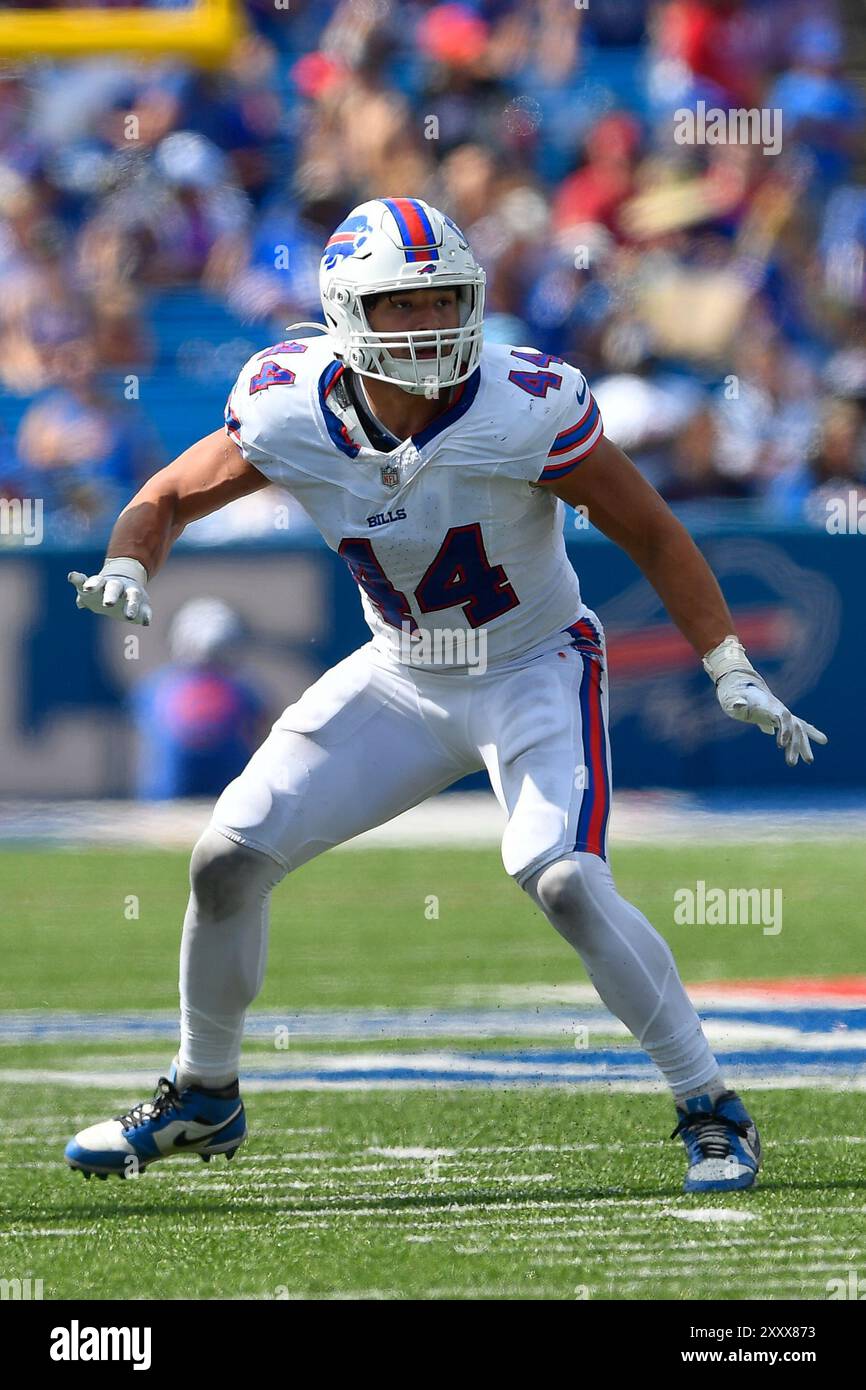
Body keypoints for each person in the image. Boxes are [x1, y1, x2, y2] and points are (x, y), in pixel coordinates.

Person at [64, 197, 826, 1192]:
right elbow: (164, 495)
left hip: (532, 663)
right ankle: (205, 1095)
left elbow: (649, 528)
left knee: (560, 877)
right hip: (400, 671)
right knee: (223, 859)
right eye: (398, 304)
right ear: (344, 313)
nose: (428, 324)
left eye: (443, 298)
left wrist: (724, 659)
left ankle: (707, 1103)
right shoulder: (290, 401)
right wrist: (131, 557)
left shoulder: (522, 400)